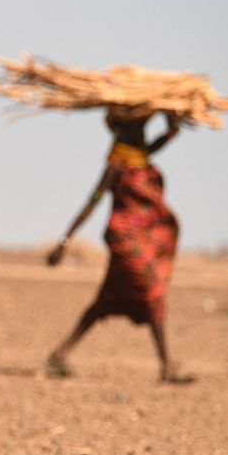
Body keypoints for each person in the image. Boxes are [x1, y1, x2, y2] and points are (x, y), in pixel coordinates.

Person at [45, 110, 192, 383]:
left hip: (145, 240)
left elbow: (171, 133)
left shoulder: (142, 156)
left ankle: (59, 355)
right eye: (138, 126)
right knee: (151, 291)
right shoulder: (116, 165)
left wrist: (169, 111)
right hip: (125, 239)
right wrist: (65, 241)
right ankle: (167, 365)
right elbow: (93, 201)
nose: (143, 131)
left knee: (106, 300)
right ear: (123, 130)